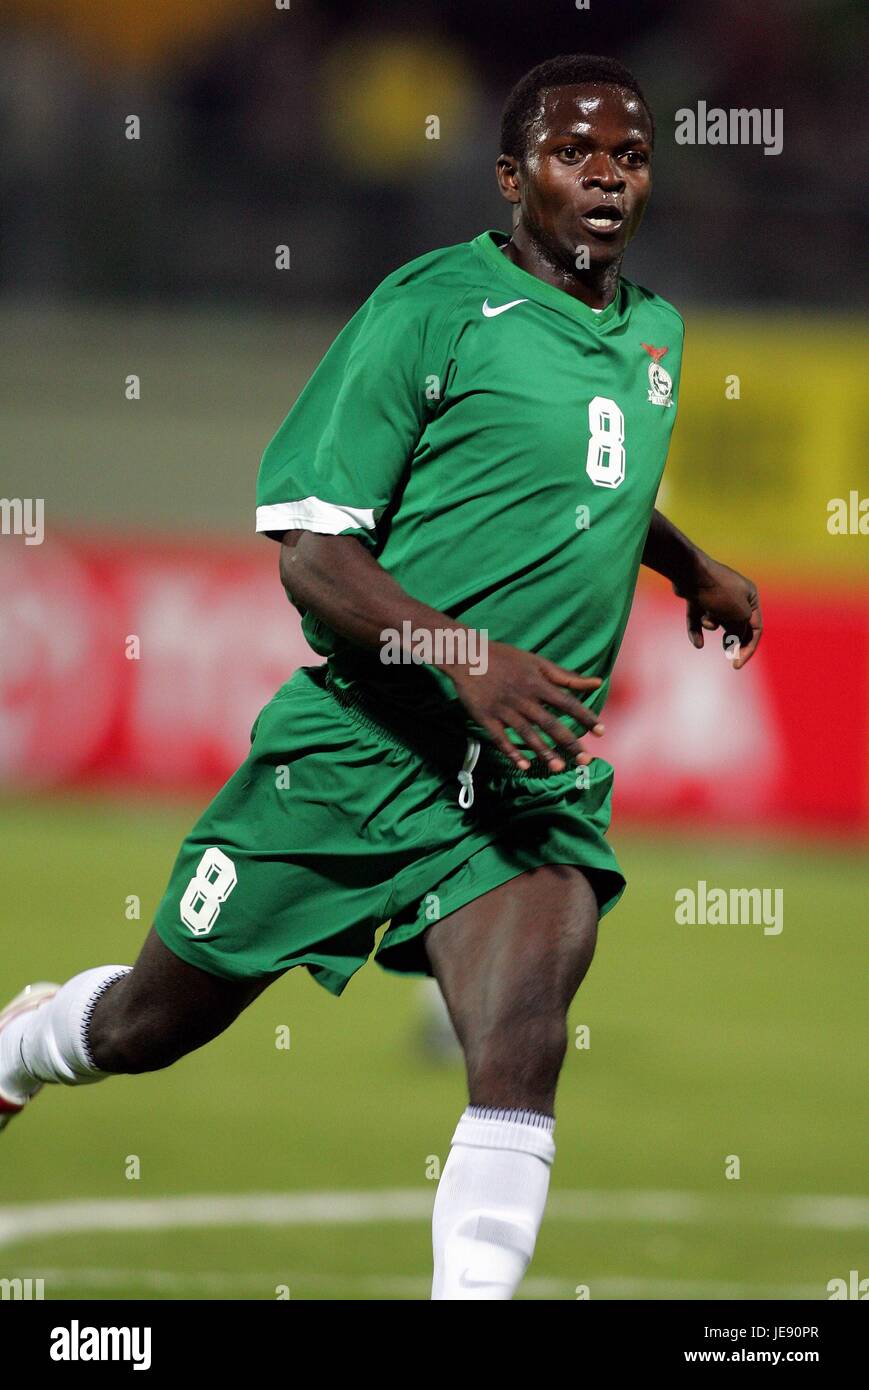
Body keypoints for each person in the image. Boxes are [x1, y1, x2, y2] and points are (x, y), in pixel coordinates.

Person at [0, 54, 761, 1300]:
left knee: (519, 1048)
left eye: (627, 155)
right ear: (514, 179)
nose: (607, 177)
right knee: (149, 1025)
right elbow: (311, 556)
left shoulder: (657, 333)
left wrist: (686, 567)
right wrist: (463, 658)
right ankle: (25, 1045)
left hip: (519, 784)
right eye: (575, 155)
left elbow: (587, 478)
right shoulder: (429, 309)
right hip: (360, 751)